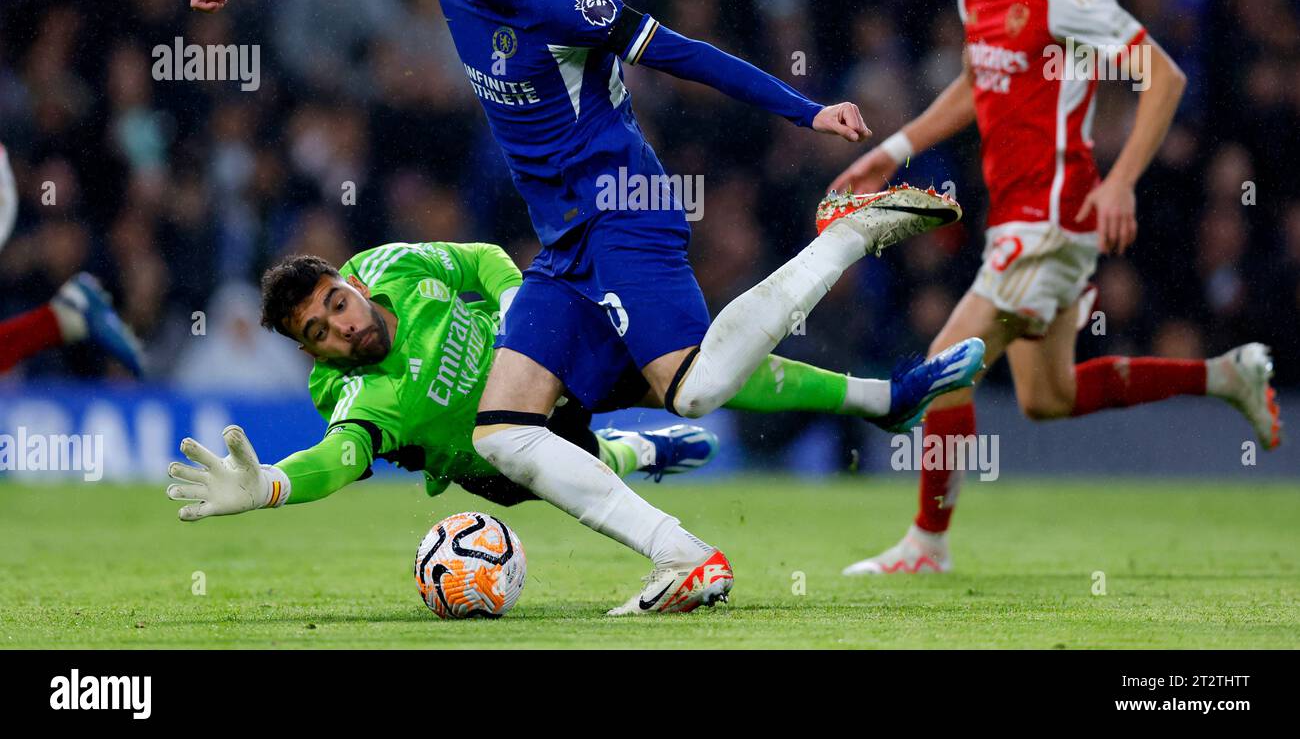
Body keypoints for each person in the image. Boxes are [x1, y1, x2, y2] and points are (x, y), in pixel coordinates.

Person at [189, 0, 963, 614]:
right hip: (563, 240)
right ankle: (686, 554)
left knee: (690, 390)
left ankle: (847, 235)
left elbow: (685, 54)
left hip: (624, 205)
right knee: (500, 433)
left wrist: (809, 110)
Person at [829, 0, 1280, 576]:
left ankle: (927, 543)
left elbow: (1161, 77)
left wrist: (1122, 178)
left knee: (946, 362)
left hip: (1056, 211)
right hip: (1015, 213)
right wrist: (898, 146)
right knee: (1047, 396)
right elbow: (980, 83)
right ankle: (1225, 375)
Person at [166, 239, 984, 541]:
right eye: (319, 332)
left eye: (334, 305)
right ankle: (635, 451)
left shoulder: (391, 265)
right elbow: (337, 459)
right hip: (500, 453)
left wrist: (523, 313)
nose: (340, 329)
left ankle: (883, 397)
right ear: (311, 352)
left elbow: (485, 258)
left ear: (347, 281)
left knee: (694, 375)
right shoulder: (352, 396)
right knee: (552, 468)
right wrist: (271, 484)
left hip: (546, 354)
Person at [0, 143, 144, 377]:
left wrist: (71, 264)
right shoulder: (22, 219)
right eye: (49, 179)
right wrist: (34, 252)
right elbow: (8, 270)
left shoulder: (87, 225)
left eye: (62, 178)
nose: (55, 187)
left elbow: (104, 280)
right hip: (29, 318)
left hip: (80, 339)